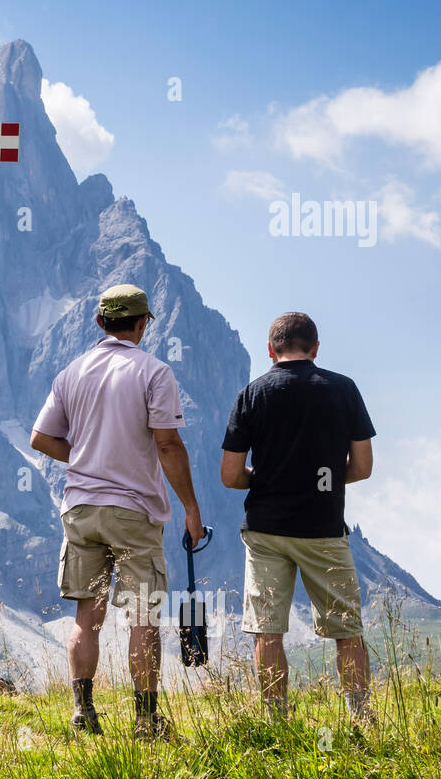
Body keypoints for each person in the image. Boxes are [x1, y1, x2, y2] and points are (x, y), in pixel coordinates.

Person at [31, 283, 203, 738]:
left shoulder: (72, 372)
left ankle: (82, 713)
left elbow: (41, 438)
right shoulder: (155, 372)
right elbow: (167, 443)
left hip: (81, 508)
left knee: (87, 617)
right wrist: (190, 507)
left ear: (99, 322)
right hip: (132, 512)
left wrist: (88, 456)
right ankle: (146, 721)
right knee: (143, 617)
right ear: (144, 323)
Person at [220, 312, 375, 720]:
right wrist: (320, 481)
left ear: (270, 351)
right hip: (323, 528)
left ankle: (276, 721)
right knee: (346, 630)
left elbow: (231, 474)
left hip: (267, 529)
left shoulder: (252, 394)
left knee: (268, 629)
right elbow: (362, 467)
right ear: (316, 349)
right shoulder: (343, 389)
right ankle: (361, 719)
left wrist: (268, 478)